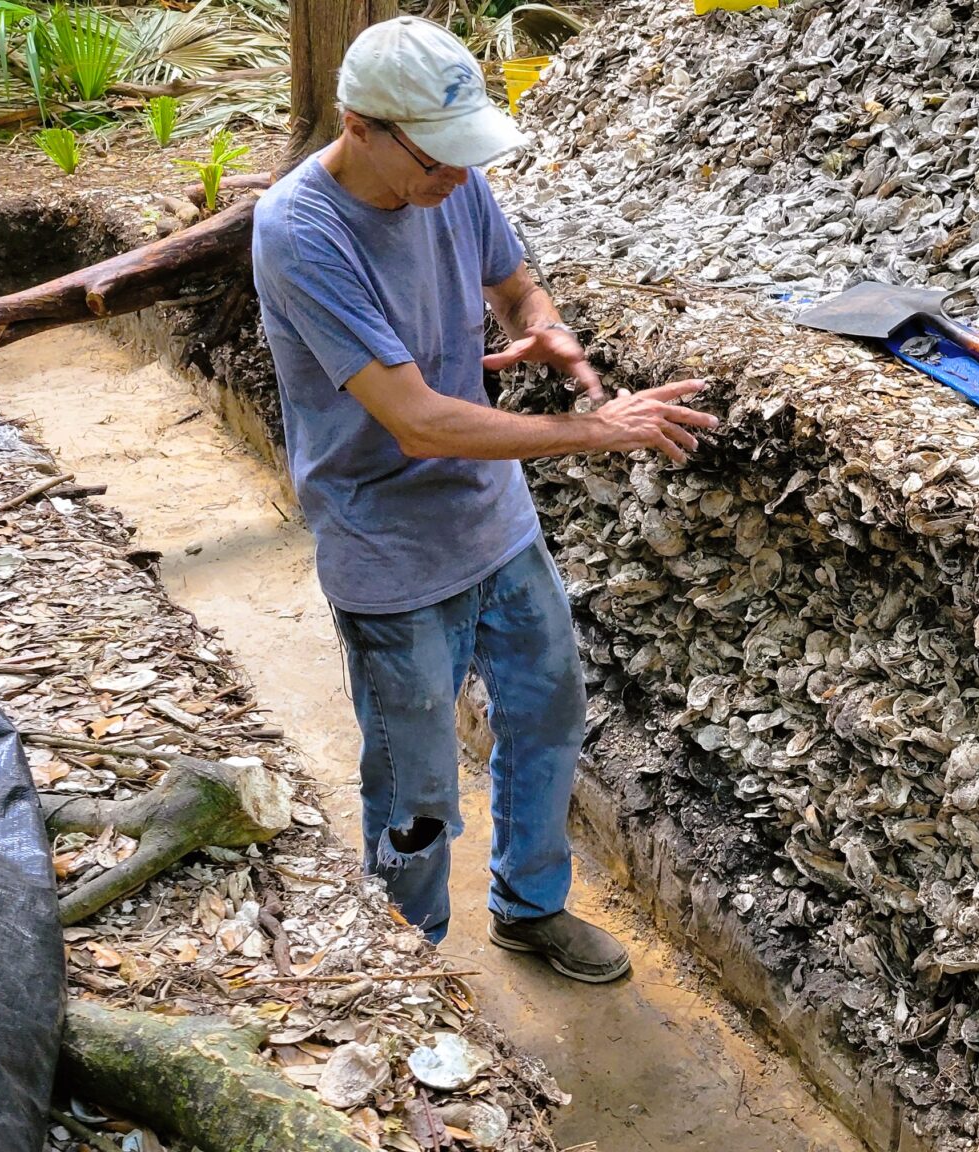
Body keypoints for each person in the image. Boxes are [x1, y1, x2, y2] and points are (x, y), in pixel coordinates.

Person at [250, 15, 716, 982]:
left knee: (546, 712)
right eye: (435, 160)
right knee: (416, 784)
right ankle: (408, 966)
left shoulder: (446, 178)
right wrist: (597, 427)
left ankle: (529, 907)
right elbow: (415, 421)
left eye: (464, 158)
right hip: (390, 549)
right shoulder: (301, 230)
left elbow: (511, 279)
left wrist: (541, 324)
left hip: (494, 520)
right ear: (361, 127)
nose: (455, 179)